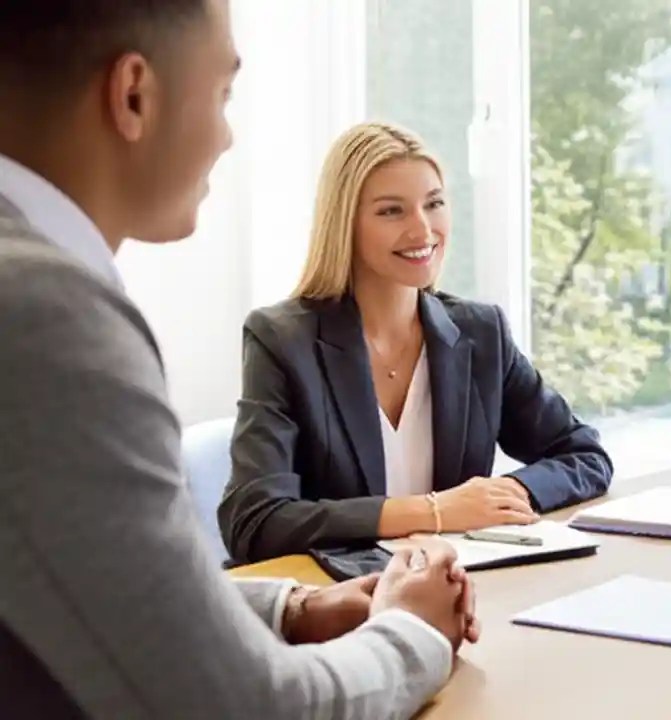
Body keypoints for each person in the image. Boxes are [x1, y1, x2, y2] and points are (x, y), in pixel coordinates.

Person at [0, 2, 477, 718]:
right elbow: (250, 706)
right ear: (134, 94)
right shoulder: (47, 318)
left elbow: (98, 580)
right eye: (223, 94)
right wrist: (414, 630)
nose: (227, 137)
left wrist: (289, 609)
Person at [218, 121, 613, 564]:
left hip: (457, 588)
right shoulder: (283, 340)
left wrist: (508, 495)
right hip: (338, 600)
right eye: (392, 211)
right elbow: (255, 521)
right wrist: (434, 512)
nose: (422, 229)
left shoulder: (481, 333)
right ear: (345, 223)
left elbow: (584, 454)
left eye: (434, 204)